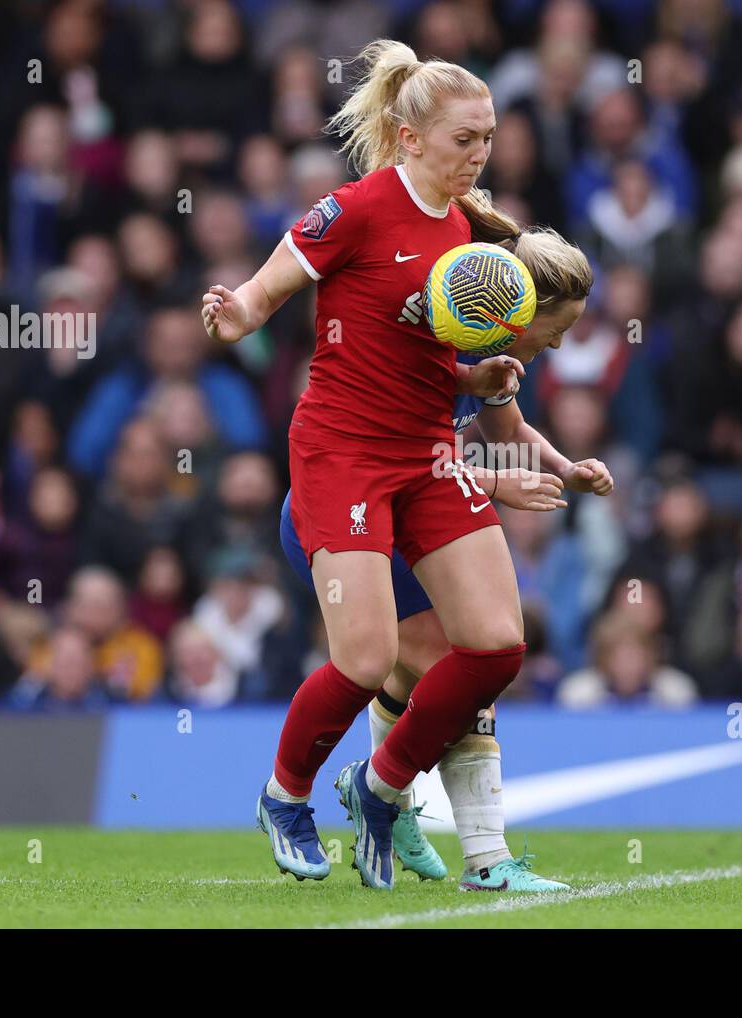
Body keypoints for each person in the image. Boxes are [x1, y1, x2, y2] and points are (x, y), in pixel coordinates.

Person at [202, 40, 594, 890]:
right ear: (408, 137)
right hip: (342, 453)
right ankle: (285, 795)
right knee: (364, 657)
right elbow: (263, 295)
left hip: (427, 453)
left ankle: (381, 788)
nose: (480, 154)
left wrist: (478, 376)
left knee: (496, 644)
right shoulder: (351, 211)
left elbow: (425, 354)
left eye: (488, 137)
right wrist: (235, 315)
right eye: (464, 140)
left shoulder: (471, 232)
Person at [280, 225, 603, 890]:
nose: (558, 345)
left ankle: (389, 798)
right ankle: (447, 835)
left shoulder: (488, 355)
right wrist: (494, 482)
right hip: (356, 514)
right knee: (454, 670)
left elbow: (505, 430)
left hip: (414, 521)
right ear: (520, 311)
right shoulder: (422, 342)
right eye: (557, 328)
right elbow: (397, 466)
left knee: (461, 666)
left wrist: (565, 469)